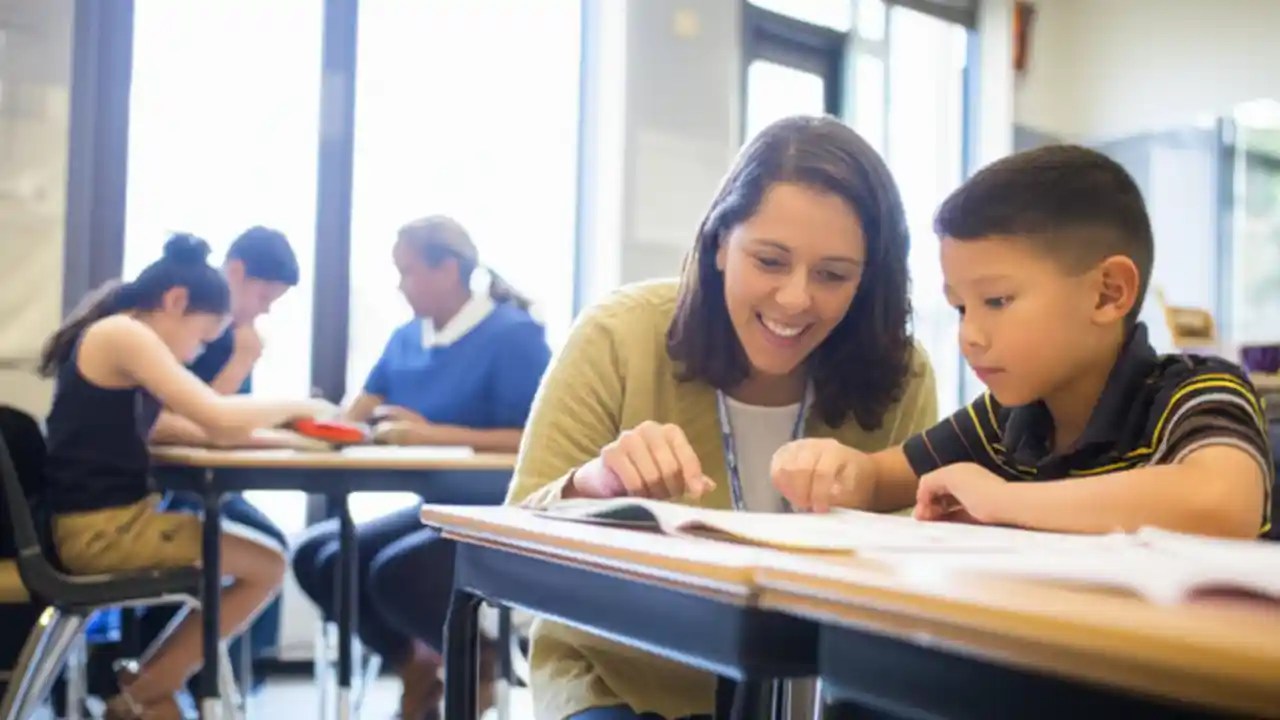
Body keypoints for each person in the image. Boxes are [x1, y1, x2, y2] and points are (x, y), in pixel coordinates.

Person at [505, 115, 939, 720]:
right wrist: (592, 486)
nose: (795, 299)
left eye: (833, 275)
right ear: (717, 244)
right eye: (769, 261)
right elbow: (508, 561)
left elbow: (914, 581)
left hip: (826, 688)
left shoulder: (902, 374)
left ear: (870, 282)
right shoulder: (618, 337)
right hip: (625, 681)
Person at [778, 144, 1275, 541]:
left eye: (996, 300)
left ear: (1107, 293)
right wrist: (836, 468)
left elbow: (1221, 503)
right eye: (960, 308)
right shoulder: (1003, 419)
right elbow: (880, 479)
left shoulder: (1197, 390)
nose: (968, 336)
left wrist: (1004, 501)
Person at [40, 234, 334, 720]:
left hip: (104, 528)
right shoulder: (125, 335)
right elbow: (215, 417)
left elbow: (193, 428)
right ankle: (141, 692)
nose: (197, 355)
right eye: (202, 338)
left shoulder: (121, 335)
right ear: (175, 302)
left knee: (263, 560)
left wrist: (295, 438)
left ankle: (145, 691)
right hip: (105, 534)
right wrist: (305, 407)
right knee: (268, 564)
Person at [291, 215, 551, 720]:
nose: (400, 285)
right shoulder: (407, 338)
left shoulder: (514, 337)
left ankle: (476, 661)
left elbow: (534, 440)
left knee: (395, 573)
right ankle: (416, 664)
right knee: (321, 557)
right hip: (438, 507)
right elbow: (354, 416)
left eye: (407, 272)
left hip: (498, 510)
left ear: (448, 269)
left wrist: (431, 433)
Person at [146, 226, 301, 690]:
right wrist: (240, 364)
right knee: (262, 546)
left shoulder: (223, 330)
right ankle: (194, 683)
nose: (264, 309)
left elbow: (221, 420)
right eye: (263, 295)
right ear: (235, 272)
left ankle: (209, 681)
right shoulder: (190, 329)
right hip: (172, 488)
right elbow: (199, 419)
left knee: (271, 543)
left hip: (207, 483)